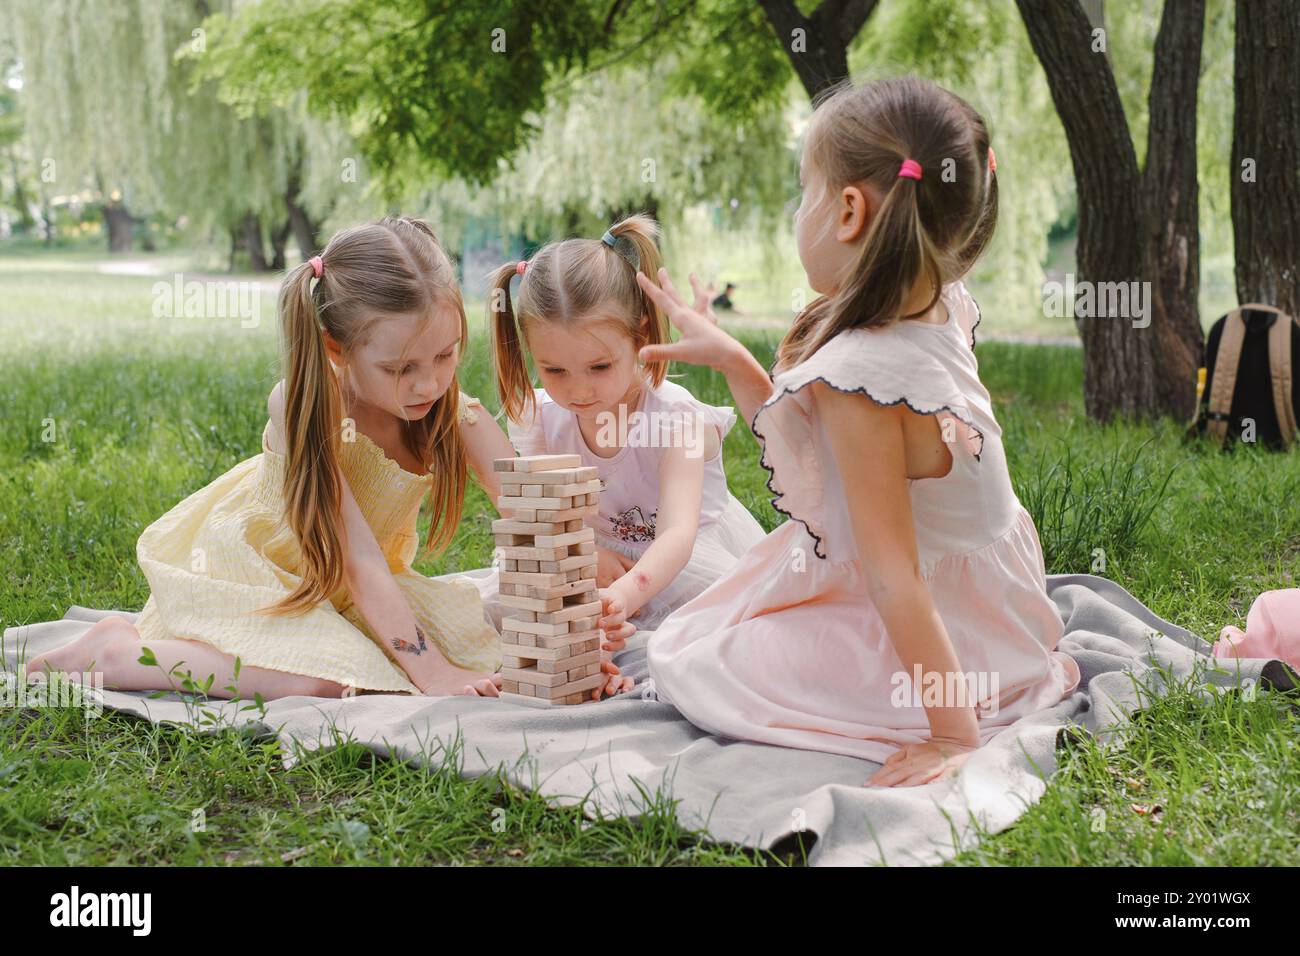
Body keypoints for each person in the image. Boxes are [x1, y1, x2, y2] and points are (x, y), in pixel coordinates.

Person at [636, 76, 1080, 789]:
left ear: (847, 210)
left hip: (934, 644)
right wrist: (732, 357)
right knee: (719, 621)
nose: (797, 212)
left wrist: (951, 737)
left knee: (695, 656)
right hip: (999, 620)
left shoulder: (860, 377)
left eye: (802, 194)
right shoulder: (939, 303)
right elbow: (829, 468)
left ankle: (933, 714)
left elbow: (893, 577)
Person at [26, 216, 634, 700]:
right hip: (266, 574)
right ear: (334, 347)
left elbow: (535, 513)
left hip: (351, 592)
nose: (429, 383)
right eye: (401, 369)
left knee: (480, 647)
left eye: (445, 356)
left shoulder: (454, 410)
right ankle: (121, 654)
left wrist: (575, 635)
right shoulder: (301, 407)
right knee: (321, 682)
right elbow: (359, 560)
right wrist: (434, 673)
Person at [487, 214, 767, 632]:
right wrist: (583, 556)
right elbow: (540, 514)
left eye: (599, 366)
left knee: (723, 626)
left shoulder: (676, 421)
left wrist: (624, 595)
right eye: (554, 370)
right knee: (508, 601)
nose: (578, 390)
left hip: (679, 559)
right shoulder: (540, 417)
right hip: (594, 552)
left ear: (640, 336)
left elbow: (677, 535)